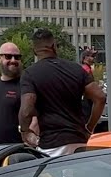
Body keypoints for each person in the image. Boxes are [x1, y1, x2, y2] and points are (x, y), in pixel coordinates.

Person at [19, 28, 105, 157]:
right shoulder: (76, 69)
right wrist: (89, 127)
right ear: (54, 46)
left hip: (51, 146)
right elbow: (100, 97)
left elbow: (26, 110)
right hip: (79, 142)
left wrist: (25, 131)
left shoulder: (30, 74)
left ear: (34, 51)